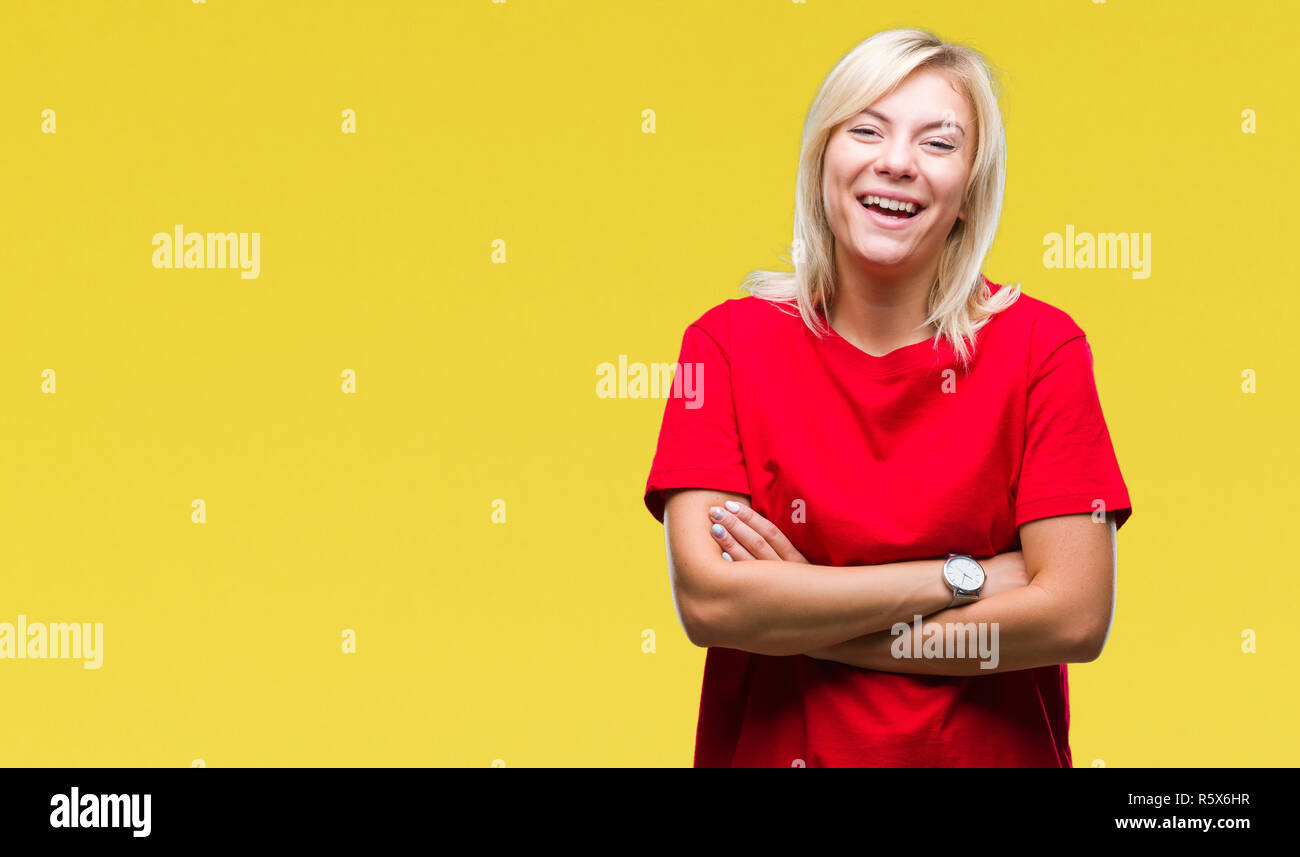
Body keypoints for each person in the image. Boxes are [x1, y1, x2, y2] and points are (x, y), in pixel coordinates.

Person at [642, 28, 1132, 767]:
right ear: (822, 163)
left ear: (969, 192)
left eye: (938, 144)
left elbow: (1074, 616)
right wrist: (965, 577)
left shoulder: (1043, 349)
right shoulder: (722, 347)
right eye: (866, 129)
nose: (897, 162)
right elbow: (712, 605)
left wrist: (801, 606)